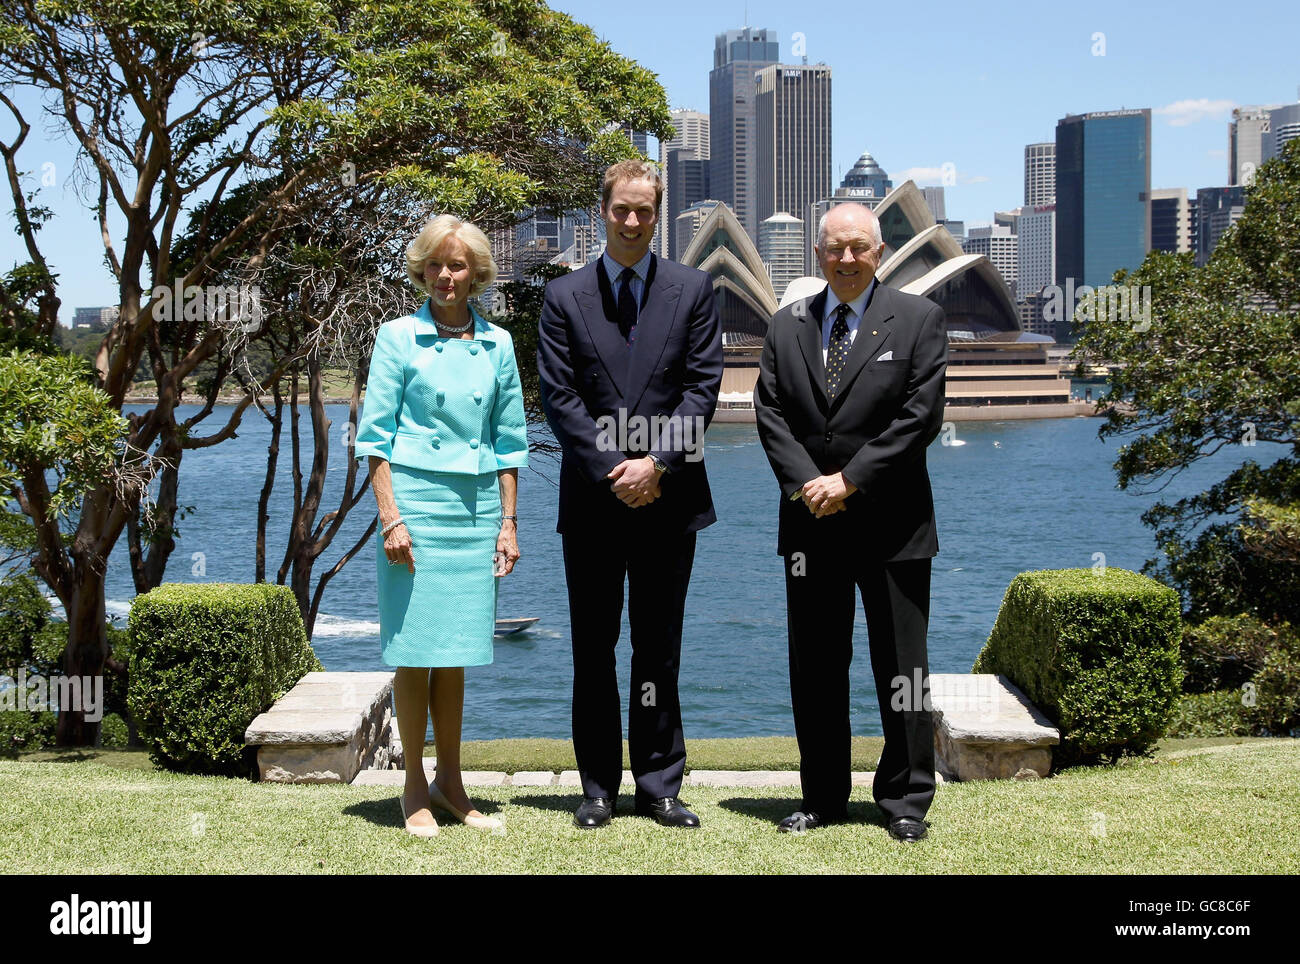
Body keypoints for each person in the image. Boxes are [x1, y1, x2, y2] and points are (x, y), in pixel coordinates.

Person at [537, 160, 723, 829]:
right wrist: (617, 468)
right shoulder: (563, 297)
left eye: (645, 210)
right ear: (602, 211)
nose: (634, 221)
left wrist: (657, 466)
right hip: (592, 502)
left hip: (670, 501)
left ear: (659, 212)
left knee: (658, 647)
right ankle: (596, 787)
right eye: (622, 209)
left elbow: (702, 389)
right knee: (593, 646)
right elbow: (560, 398)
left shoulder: (694, 289)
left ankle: (658, 784)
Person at [753, 202, 947, 843]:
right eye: (834, 248)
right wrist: (809, 484)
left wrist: (850, 480)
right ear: (817, 254)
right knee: (815, 667)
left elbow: (919, 417)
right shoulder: (786, 326)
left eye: (858, 247)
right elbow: (771, 414)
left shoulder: (919, 319)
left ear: (880, 251)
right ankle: (822, 796)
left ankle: (906, 799)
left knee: (902, 670)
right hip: (811, 526)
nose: (846, 258)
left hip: (893, 527)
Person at [354, 214, 528, 837]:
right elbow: (374, 438)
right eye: (435, 264)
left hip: (477, 509)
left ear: (476, 273)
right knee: (414, 652)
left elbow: (509, 442)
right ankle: (412, 787)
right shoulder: (396, 337)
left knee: (453, 653)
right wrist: (390, 516)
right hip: (414, 505)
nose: (446, 276)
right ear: (421, 269)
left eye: (457, 265)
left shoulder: (500, 344)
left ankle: (451, 782)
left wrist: (508, 524)